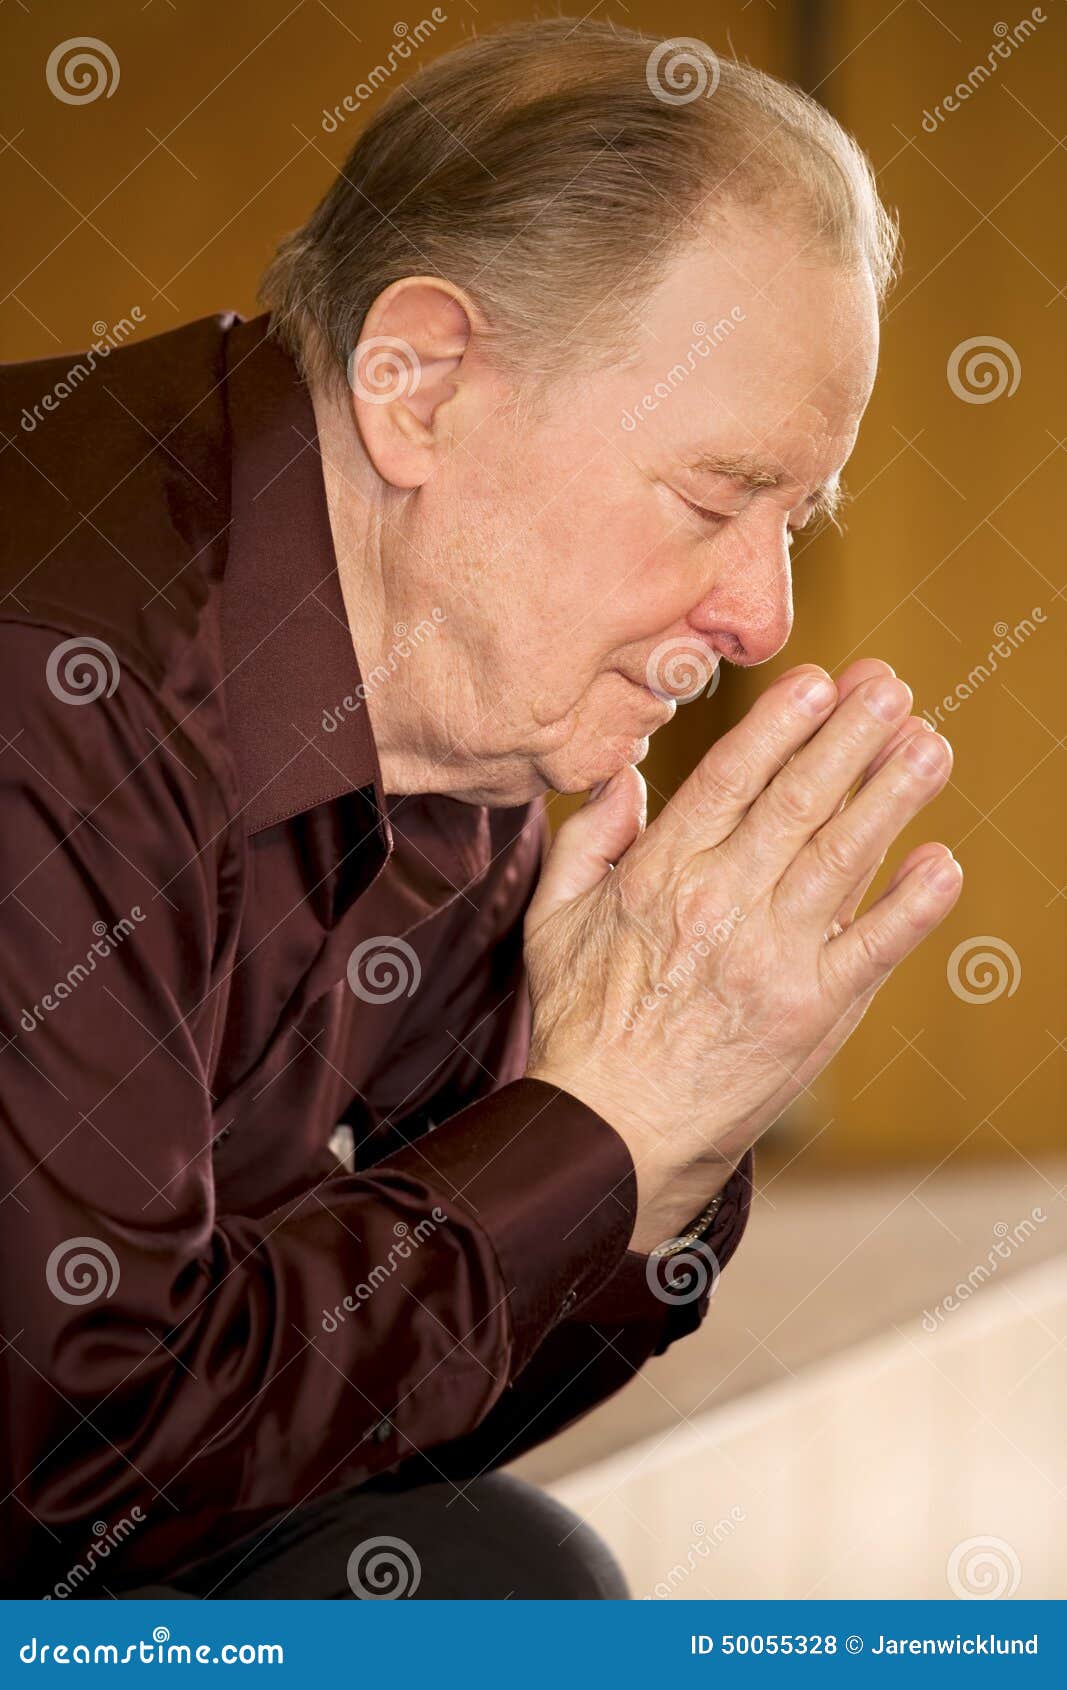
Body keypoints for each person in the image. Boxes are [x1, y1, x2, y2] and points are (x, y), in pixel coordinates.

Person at [0, 19, 960, 1599]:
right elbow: (71, 1462)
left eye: (801, 515)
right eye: (719, 498)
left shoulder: (469, 709)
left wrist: (659, 1127)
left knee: (477, 1575)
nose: (766, 616)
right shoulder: (58, 674)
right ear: (423, 383)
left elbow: (408, 1402)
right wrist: (602, 1130)